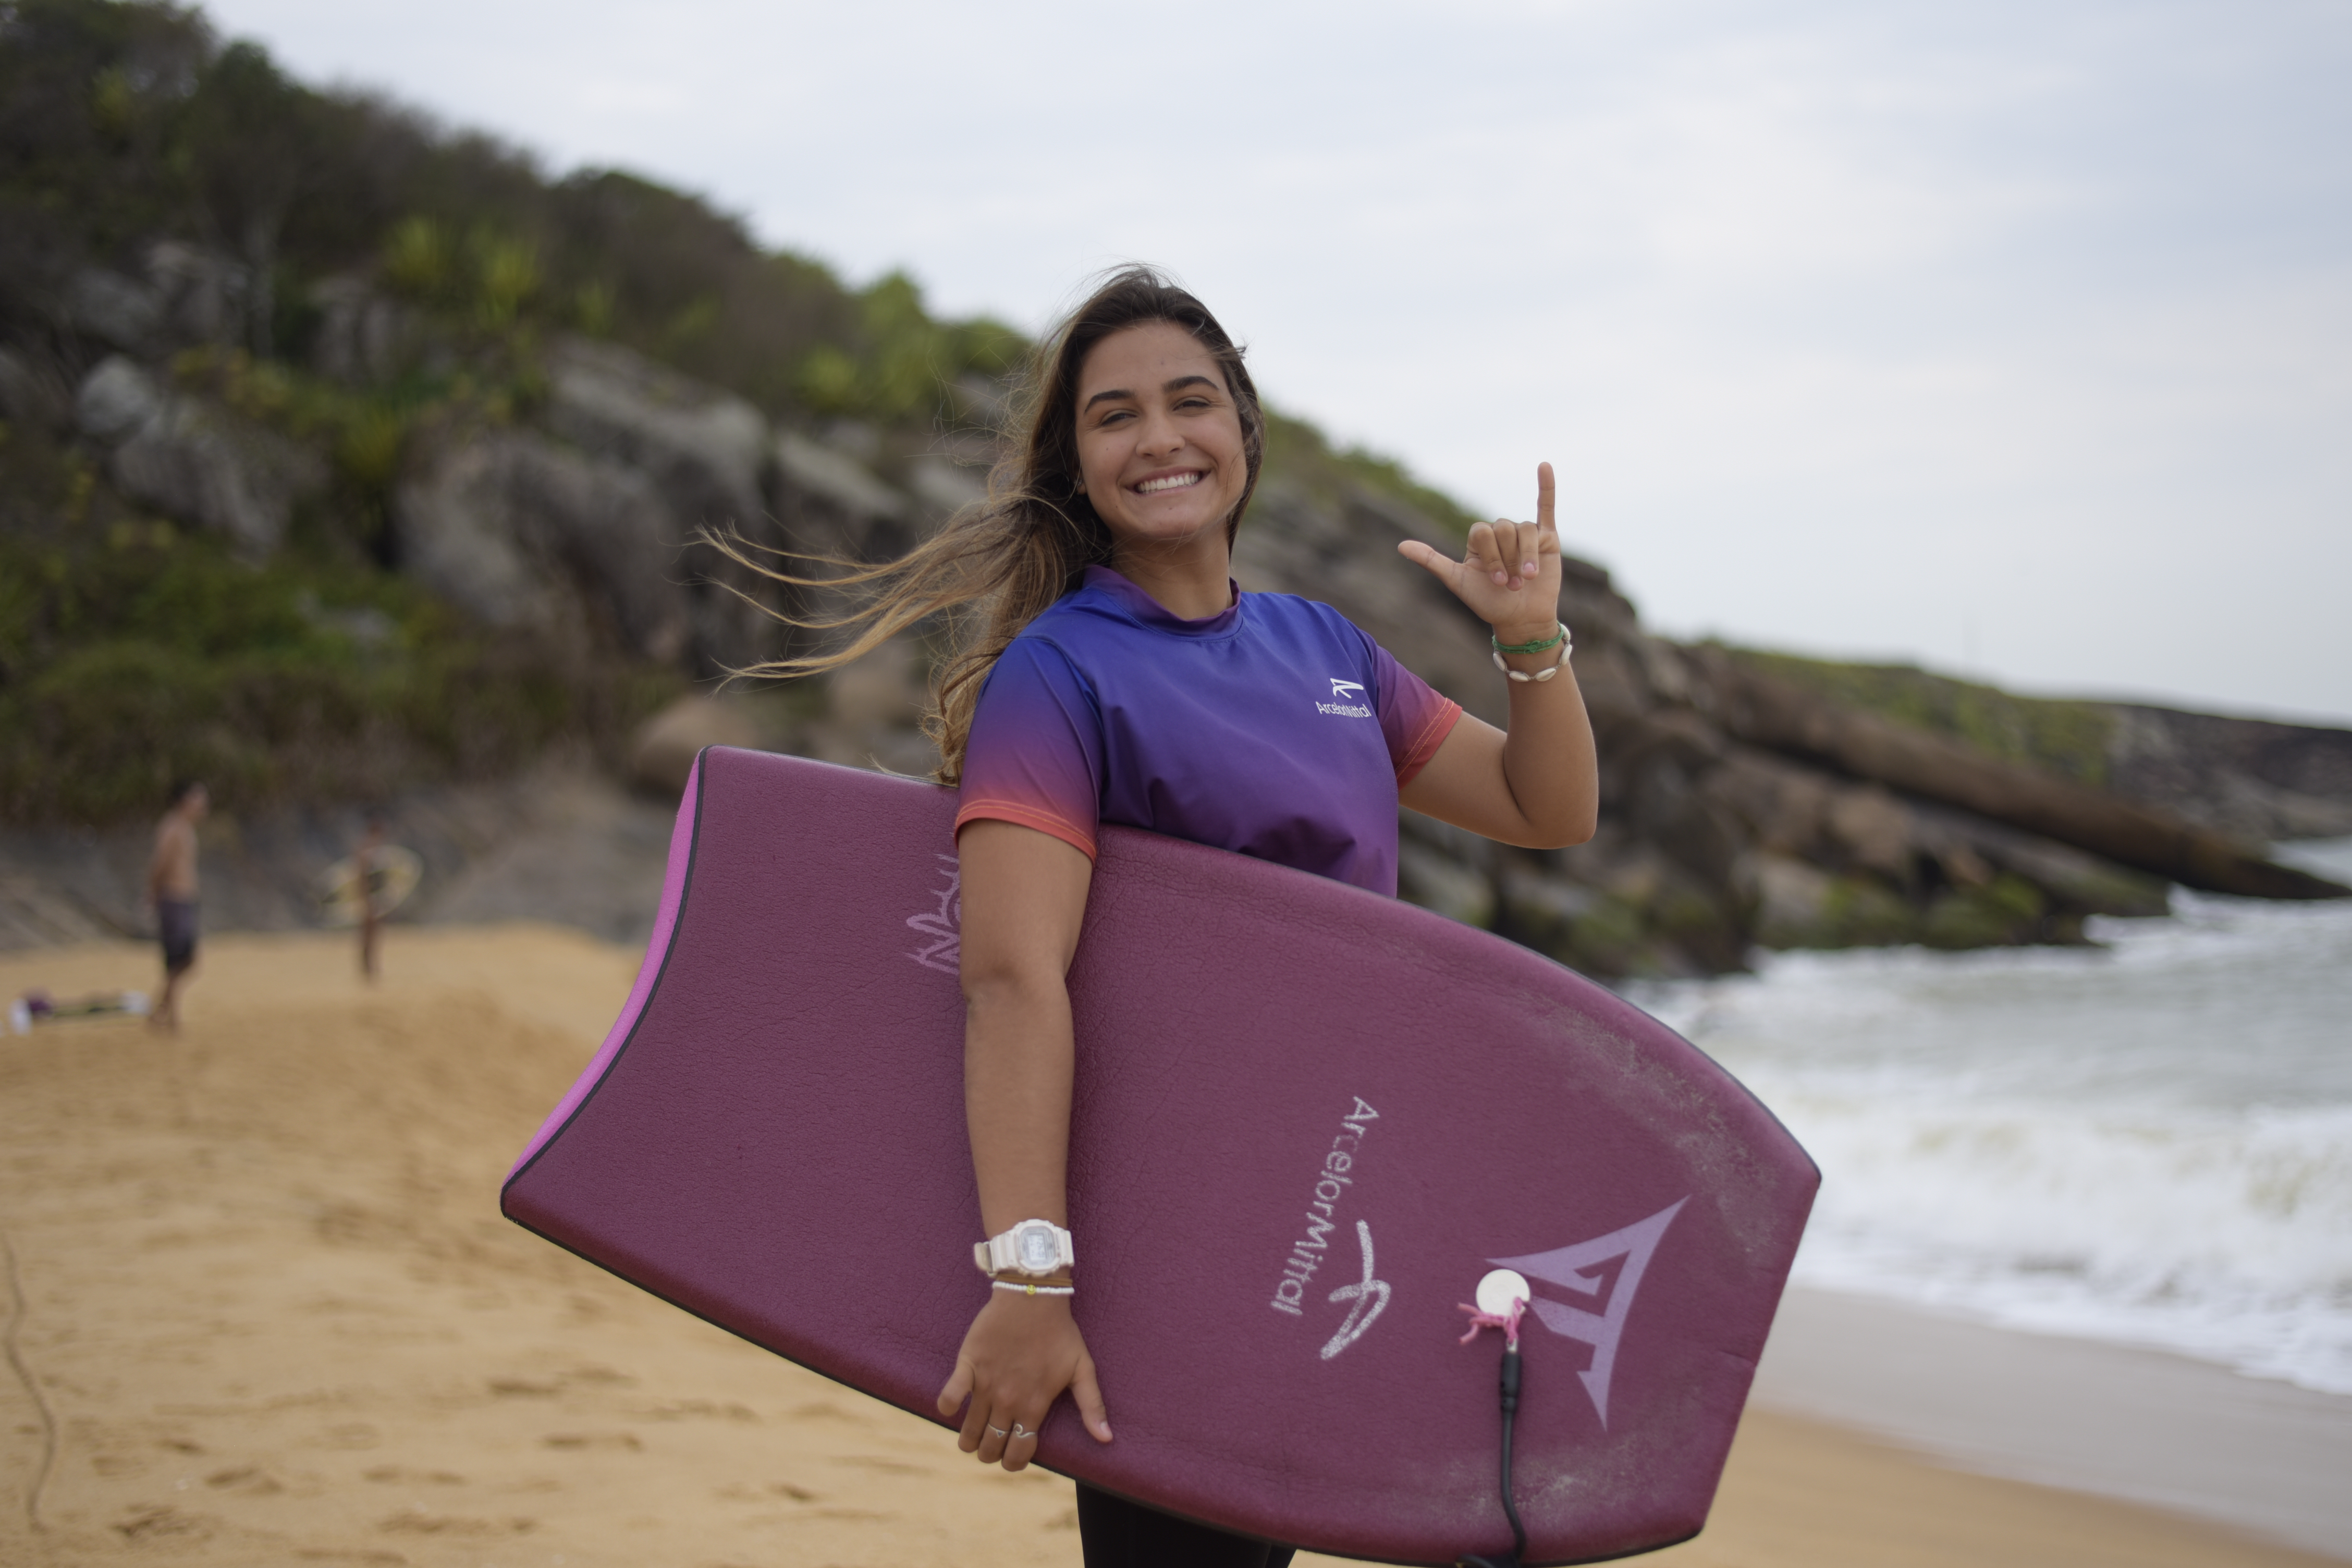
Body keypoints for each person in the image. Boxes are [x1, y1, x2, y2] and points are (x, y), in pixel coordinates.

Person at [734, 266, 1598, 1567]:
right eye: (1114, 415)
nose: (1159, 439)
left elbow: (1545, 805)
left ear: (1243, 431)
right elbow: (1014, 978)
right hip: (1166, 1226)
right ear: (1077, 464)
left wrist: (1533, 644)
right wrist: (1027, 1279)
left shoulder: (1327, 651)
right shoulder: (1061, 674)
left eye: (1190, 402)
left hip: (1339, 1196)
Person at [146, 779, 208, 1031]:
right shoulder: (172, 828)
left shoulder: (185, 828)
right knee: (179, 959)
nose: (203, 804)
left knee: (184, 959)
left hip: (184, 899)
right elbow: (161, 863)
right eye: (198, 797)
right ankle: (168, 1015)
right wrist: (153, 892)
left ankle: (164, 1011)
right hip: (173, 899)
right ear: (184, 800)